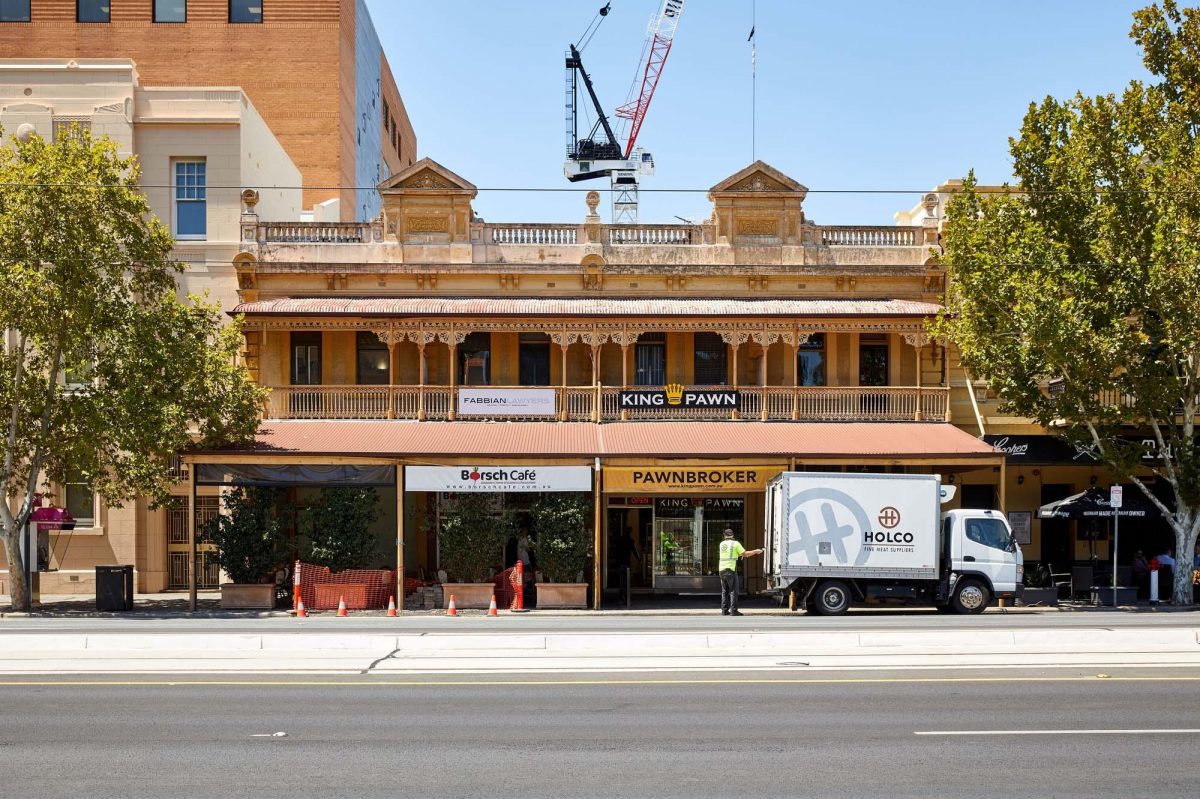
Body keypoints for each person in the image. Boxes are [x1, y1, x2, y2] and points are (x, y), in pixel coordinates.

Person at [718, 527, 763, 616]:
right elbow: (745, 554)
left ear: (724, 536)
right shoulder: (735, 544)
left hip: (721, 570)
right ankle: (734, 610)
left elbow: (729, 554)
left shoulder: (722, 544)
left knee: (724, 591)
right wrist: (755, 551)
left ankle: (724, 610)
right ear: (733, 535)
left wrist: (738, 554)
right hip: (730, 569)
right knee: (733, 591)